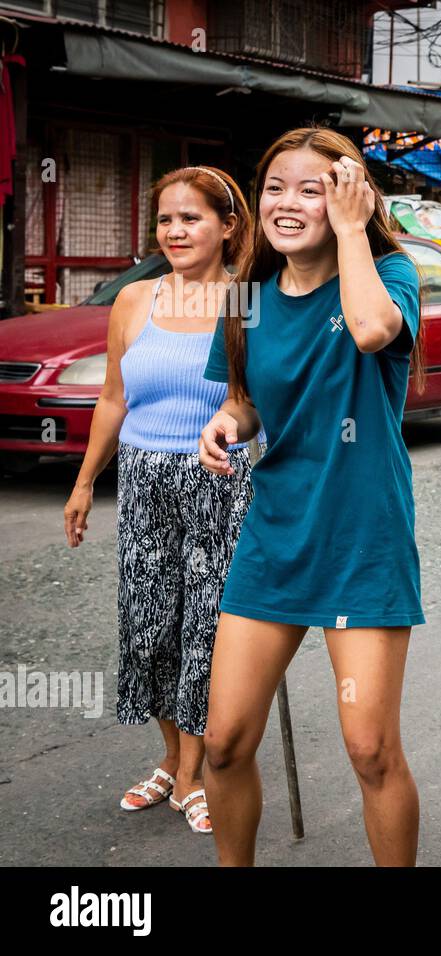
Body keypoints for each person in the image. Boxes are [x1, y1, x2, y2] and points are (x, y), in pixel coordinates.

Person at [198, 129, 426, 866]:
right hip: (274, 537)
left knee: (370, 749)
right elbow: (248, 402)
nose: (288, 202)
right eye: (275, 186)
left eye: (313, 188)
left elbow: (369, 331)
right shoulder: (248, 297)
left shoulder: (391, 275)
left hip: (363, 538)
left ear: (349, 200)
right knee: (226, 741)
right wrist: (226, 423)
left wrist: (356, 232)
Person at [63, 166, 253, 836]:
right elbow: (113, 398)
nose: (175, 230)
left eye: (191, 218)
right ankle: (172, 760)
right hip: (142, 480)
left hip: (218, 481)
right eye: (166, 219)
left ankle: (199, 775)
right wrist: (86, 482)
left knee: (205, 633)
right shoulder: (134, 301)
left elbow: (255, 399)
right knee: (147, 630)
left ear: (227, 227)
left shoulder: (246, 302)